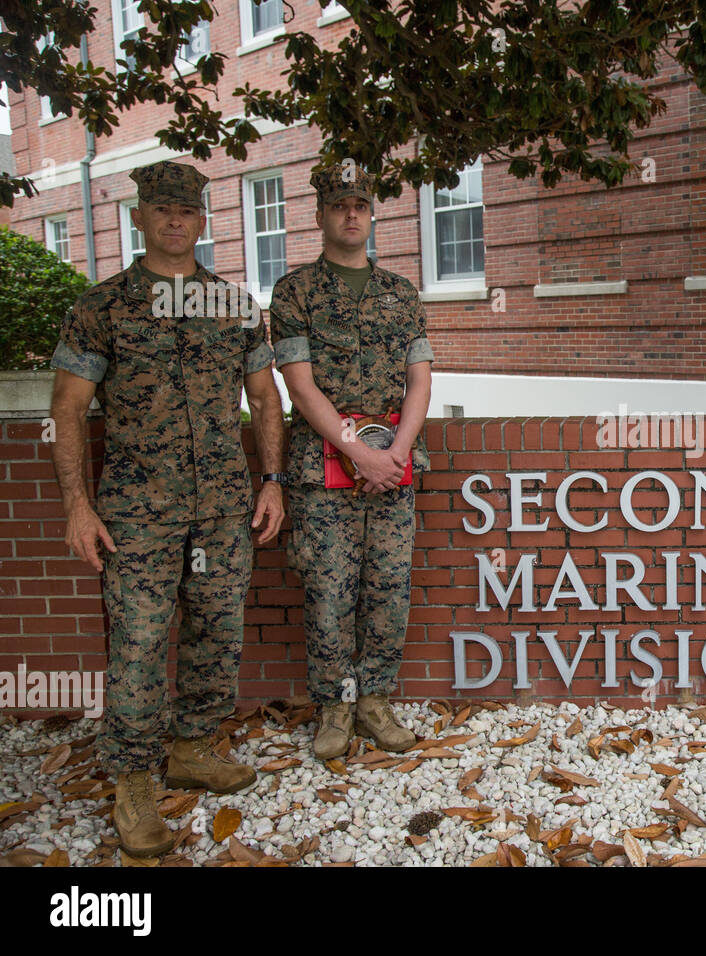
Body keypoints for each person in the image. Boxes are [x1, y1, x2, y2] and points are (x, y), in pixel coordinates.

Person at [50, 160, 285, 857]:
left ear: (202, 220)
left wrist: (271, 479)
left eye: (187, 211)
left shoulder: (234, 305)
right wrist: (76, 506)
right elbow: (68, 410)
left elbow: (267, 399)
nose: (175, 221)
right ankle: (131, 780)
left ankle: (192, 746)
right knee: (141, 642)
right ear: (141, 216)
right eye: (162, 210)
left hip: (220, 508)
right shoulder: (102, 307)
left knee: (217, 631)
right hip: (136, 513)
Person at [270, 163, 433, 761]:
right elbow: (301, 387)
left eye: (360, 204)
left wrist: (395, 452)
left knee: (389, 590)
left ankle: (375, 703)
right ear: (320, 216)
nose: (351, 214)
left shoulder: (401, 294)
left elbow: (420, 381)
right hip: (324, 471)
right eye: (339, 205)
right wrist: (359, 451)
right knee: (329, 593)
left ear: (371, 212)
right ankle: (336, 707)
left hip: (393, 470)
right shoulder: (294, 293)